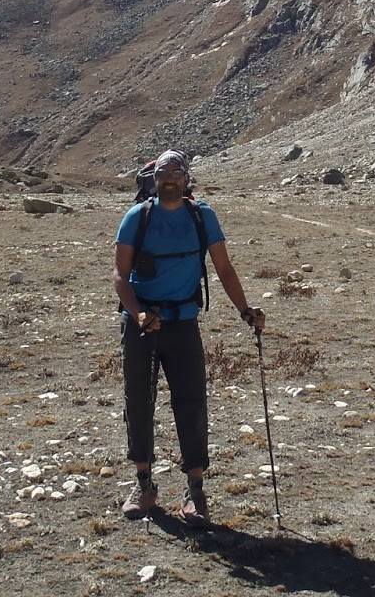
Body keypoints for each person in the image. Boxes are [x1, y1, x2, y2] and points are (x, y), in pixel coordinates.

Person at [113, 149, 265, 525]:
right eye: (163, 173)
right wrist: (139, 314)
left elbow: (224, 269)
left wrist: (246, 310)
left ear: (186, 179)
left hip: (183, 322)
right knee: (139, 401)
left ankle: (195, 490)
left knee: (192, 401)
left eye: (176, 173)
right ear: (155, 179)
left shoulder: (202, 216)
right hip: (142, 325)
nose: (169, 179)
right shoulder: (138, 216)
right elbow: (119, 275)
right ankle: (144, 484)